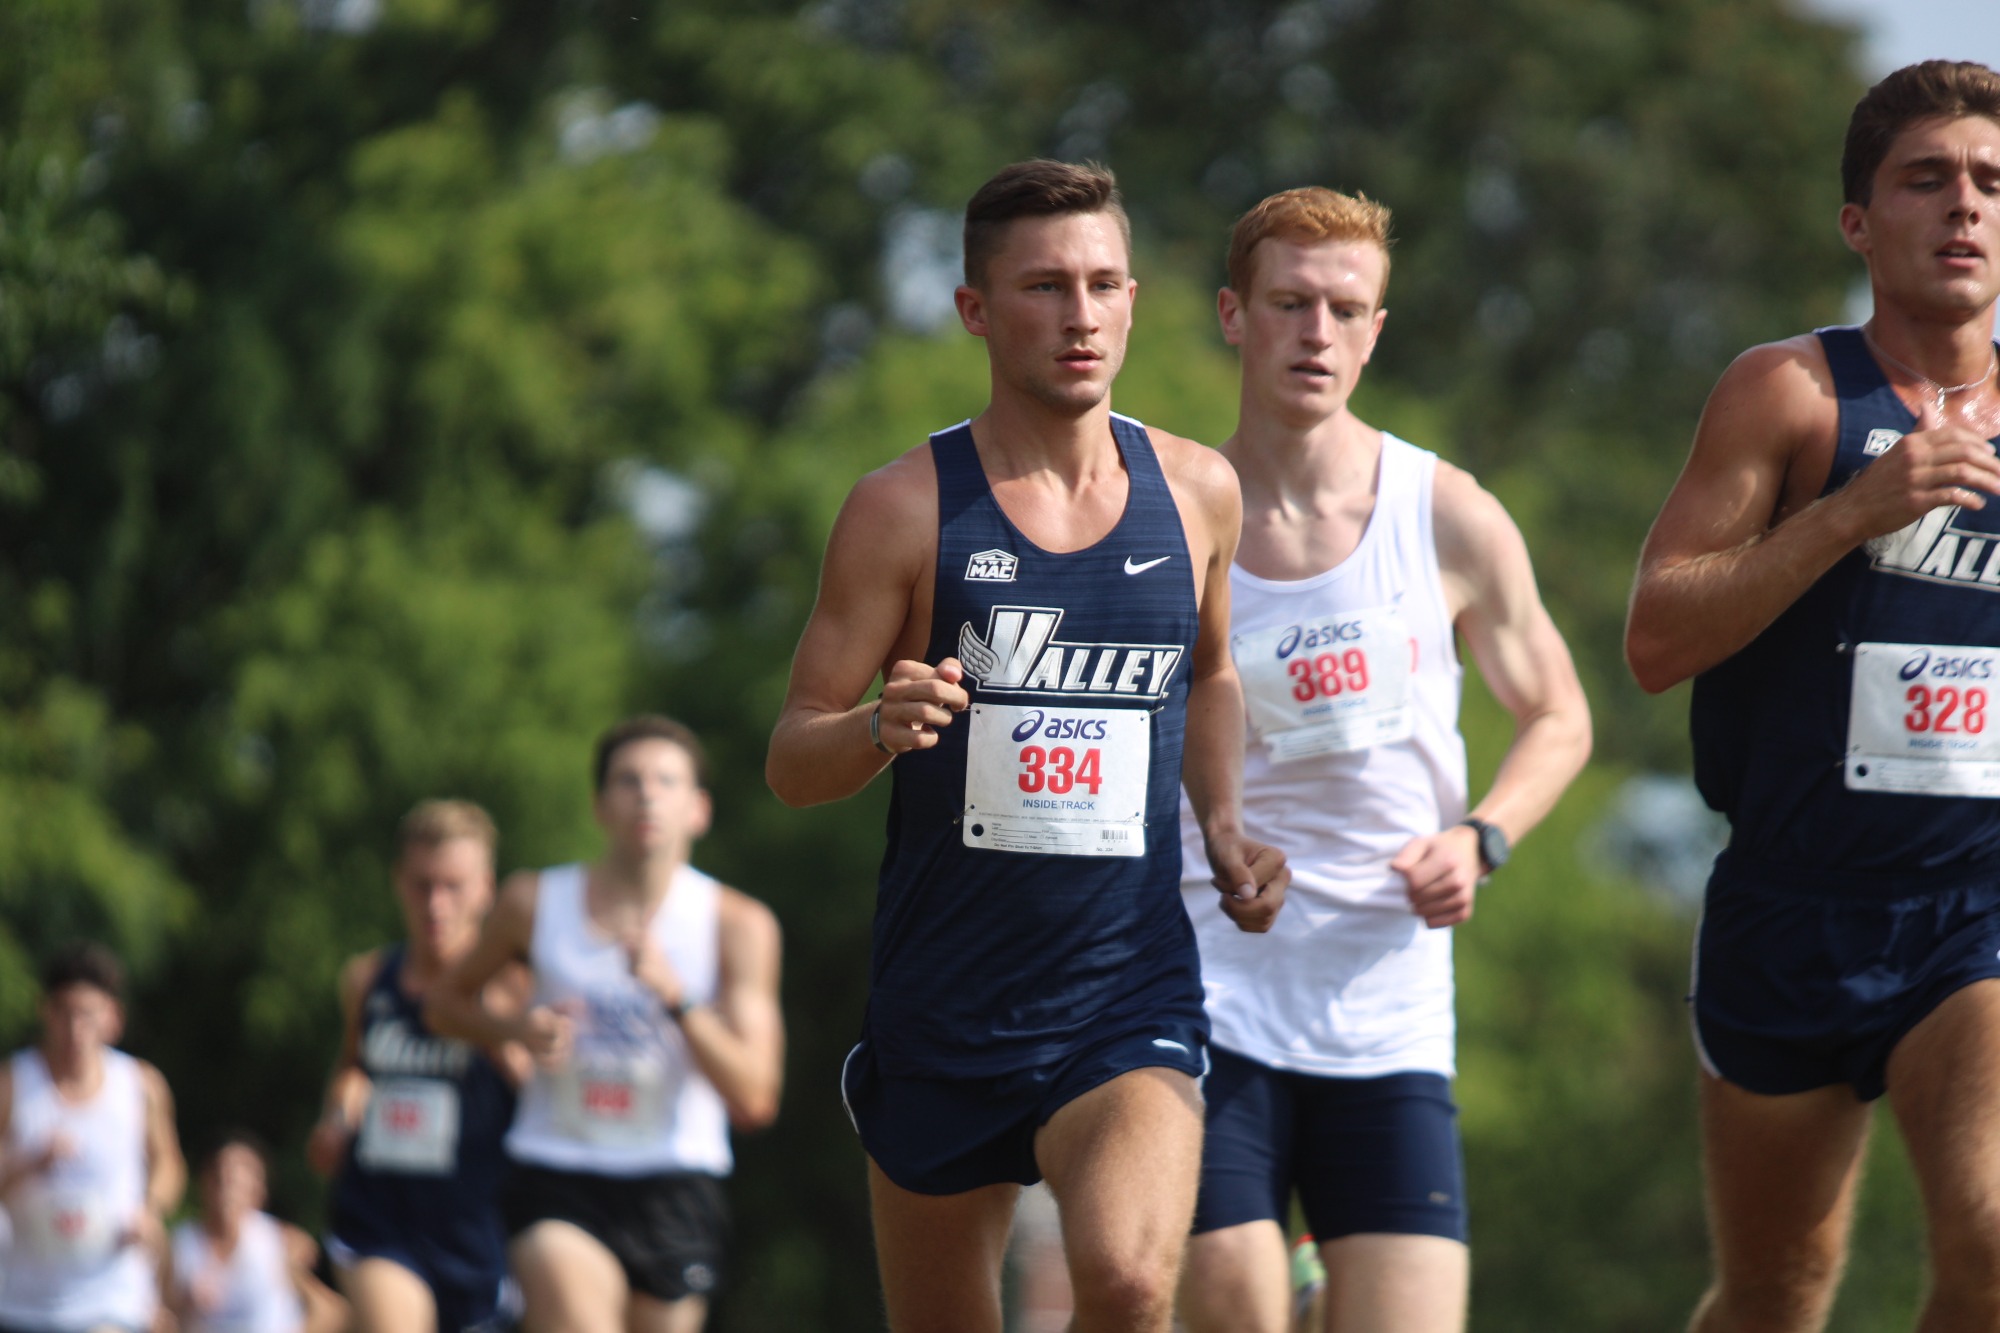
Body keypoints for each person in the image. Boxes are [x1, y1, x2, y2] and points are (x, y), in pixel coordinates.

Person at [766, 158, 1290, 1333]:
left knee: (1124, 1280)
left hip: (1124, 993)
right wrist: (872, 729)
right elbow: (791, 754)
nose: (1081, 314)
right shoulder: (904, 507)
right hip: (942, 1005)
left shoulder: (1198, 490)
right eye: (1045, 286)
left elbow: (1207, 671)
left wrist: (1222, 821)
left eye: (1104, 283)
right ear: (974, 310)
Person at [1173, 188, 1591, 1333]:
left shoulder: (1443, 510)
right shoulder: (1173, 519)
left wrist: (1482, 834)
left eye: (1342, 308)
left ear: (1375, 330)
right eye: (1288, 302)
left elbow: (1558, 712)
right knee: (1234, 1311)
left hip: (1386, 1005)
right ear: (1232, 314)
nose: (1315, 332)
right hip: (1212, 990)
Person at [1626, 60, 2000, 1333]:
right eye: (1926, 180)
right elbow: (1656, 637)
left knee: (1994, 1240)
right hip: (1788, 902)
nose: (1964, 208)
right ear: (1857, 221)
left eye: (1991, 184)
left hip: (1974, 906)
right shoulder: (1787, 391)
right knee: (1773, 1296)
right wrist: (1852, 511)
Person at [429, 715, 784, 1333]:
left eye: (666, 780)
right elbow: (443, 1005)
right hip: (557, 1170)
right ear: (599, 805)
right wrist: (516, 1030)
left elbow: (755, 1097)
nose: (647, 794)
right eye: (628, 780)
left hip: (675, 1179)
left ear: (699, 809)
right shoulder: (532, 902)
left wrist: (680, 1003)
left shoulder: (738, 925)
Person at [309, 799, 527, 1333]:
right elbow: (354, 1067)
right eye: (421, 884)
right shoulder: (368, 979)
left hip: (474, 1224)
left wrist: (492, 1032)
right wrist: (338, 1116)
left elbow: (542, 1099)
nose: (436, 904)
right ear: (397, 882)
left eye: (453, 886)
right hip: (379, 1213)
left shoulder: (515, 986)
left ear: (485, 888)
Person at [0, 943, 185, 1333]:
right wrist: (28, 1163)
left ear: (111, 1018)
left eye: (86, 1015)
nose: (75, 1030)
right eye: (64, 1014)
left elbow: (169, 1164)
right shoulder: (13, 1085)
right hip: (25, 1299)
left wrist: (150, 1210)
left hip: (110, 1295)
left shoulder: (140, 1086)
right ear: (45, 1012)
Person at [168, 1132, 347, 1333]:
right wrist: (183, 1304)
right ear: (205, 1180)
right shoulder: (179, 1244)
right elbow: (161, 1313)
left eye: (241, 1172)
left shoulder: (280, 1243)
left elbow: (331, 1313)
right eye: (221, 1172)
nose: (228, 1178)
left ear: (259, 1190)